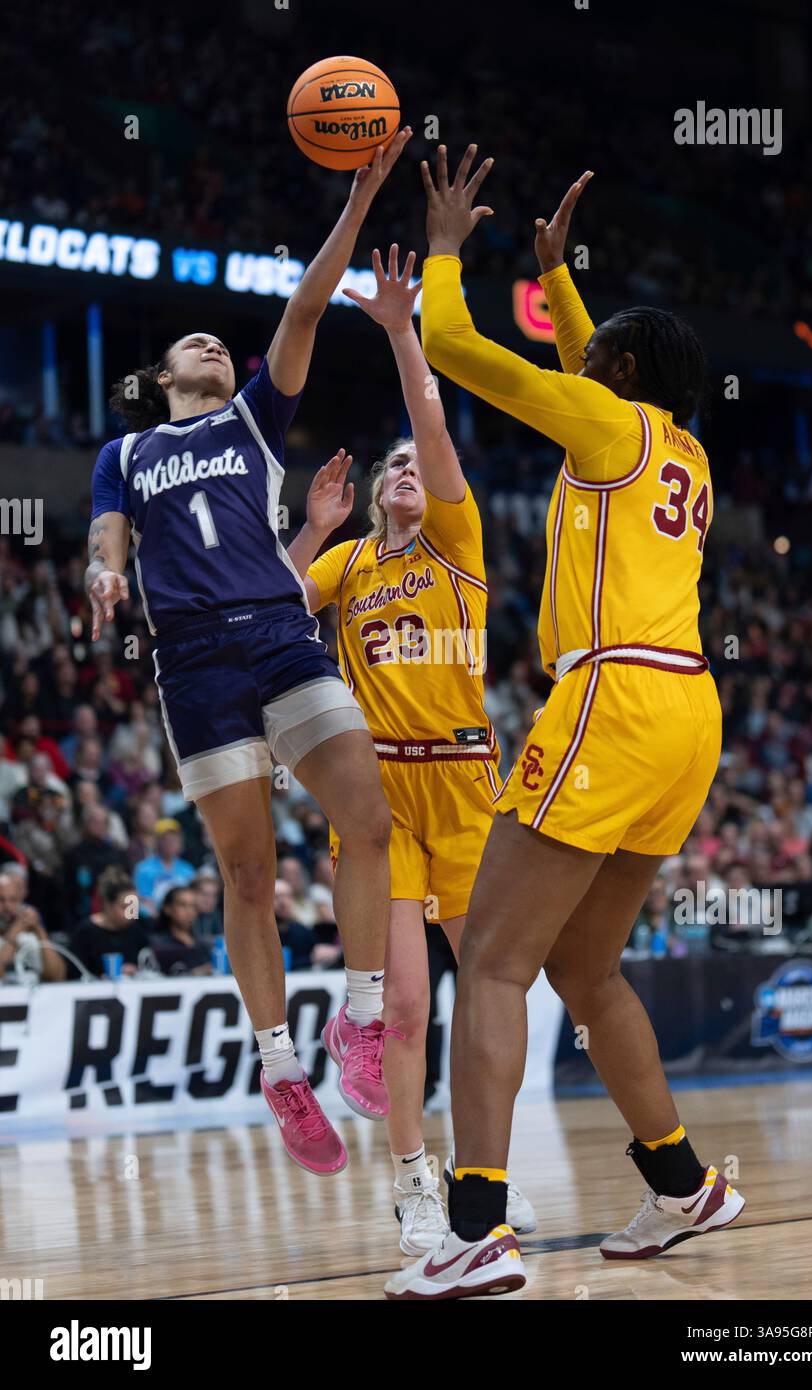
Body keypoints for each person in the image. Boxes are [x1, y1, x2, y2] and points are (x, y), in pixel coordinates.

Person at [386, 149, 743, 1299]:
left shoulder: (603, 425)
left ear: (619, 371)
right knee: (587, 969)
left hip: (612, 700)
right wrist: (551, 272)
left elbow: (455, 347)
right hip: (686, 713)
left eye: (588, 352)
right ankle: (683, 1183)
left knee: (489, 964)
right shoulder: (674, 446)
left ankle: (475, 1231)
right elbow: (591, 365)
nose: (571, 354)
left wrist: (446, 252)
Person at [85, 130, 412, 1178]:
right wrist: (100, 573)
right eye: (192, 345)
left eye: (219, 345)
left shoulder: (254, 420)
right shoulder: (124, 452)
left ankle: (357, 1017)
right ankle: (280, 1071)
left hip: (281, 637)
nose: (211, 348)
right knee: (248, 874)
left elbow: (306, 305)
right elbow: (108, 537)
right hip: (193, 663)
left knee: (367, 822)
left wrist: (356, 205)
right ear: (161, 374)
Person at [290, 245, 534, 1254]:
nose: (401, 472)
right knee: (402, 1007)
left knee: (489, 994)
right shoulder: (346, 564)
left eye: (410, 468)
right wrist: (310, 528)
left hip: (466, 793)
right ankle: (413, 1189)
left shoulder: (458, 541)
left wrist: (401, 330)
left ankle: (482, 1181)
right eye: (387, 464)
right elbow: (264, 608)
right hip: (381, 800)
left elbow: (430, 427)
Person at [133, 818, 196, 917]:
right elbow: (143, 900)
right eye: (166, 840)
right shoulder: (143, 869)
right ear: (157, 842)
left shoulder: (187, 869)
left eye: (174, 839)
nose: (170, 844)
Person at [152, 886, 212, 974]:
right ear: (167, 908)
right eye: (183, 905)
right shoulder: (157, 944)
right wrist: (193, 973)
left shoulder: (203, 945)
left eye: (193, 906)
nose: (190, 911)